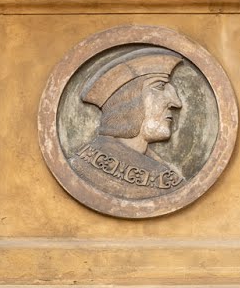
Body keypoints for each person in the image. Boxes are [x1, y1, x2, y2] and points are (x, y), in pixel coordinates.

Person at [71, 48, 187, 198]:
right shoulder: (84, 168)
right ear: (127, 100)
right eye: (160, 87)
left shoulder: (164, 175)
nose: (176, 103)